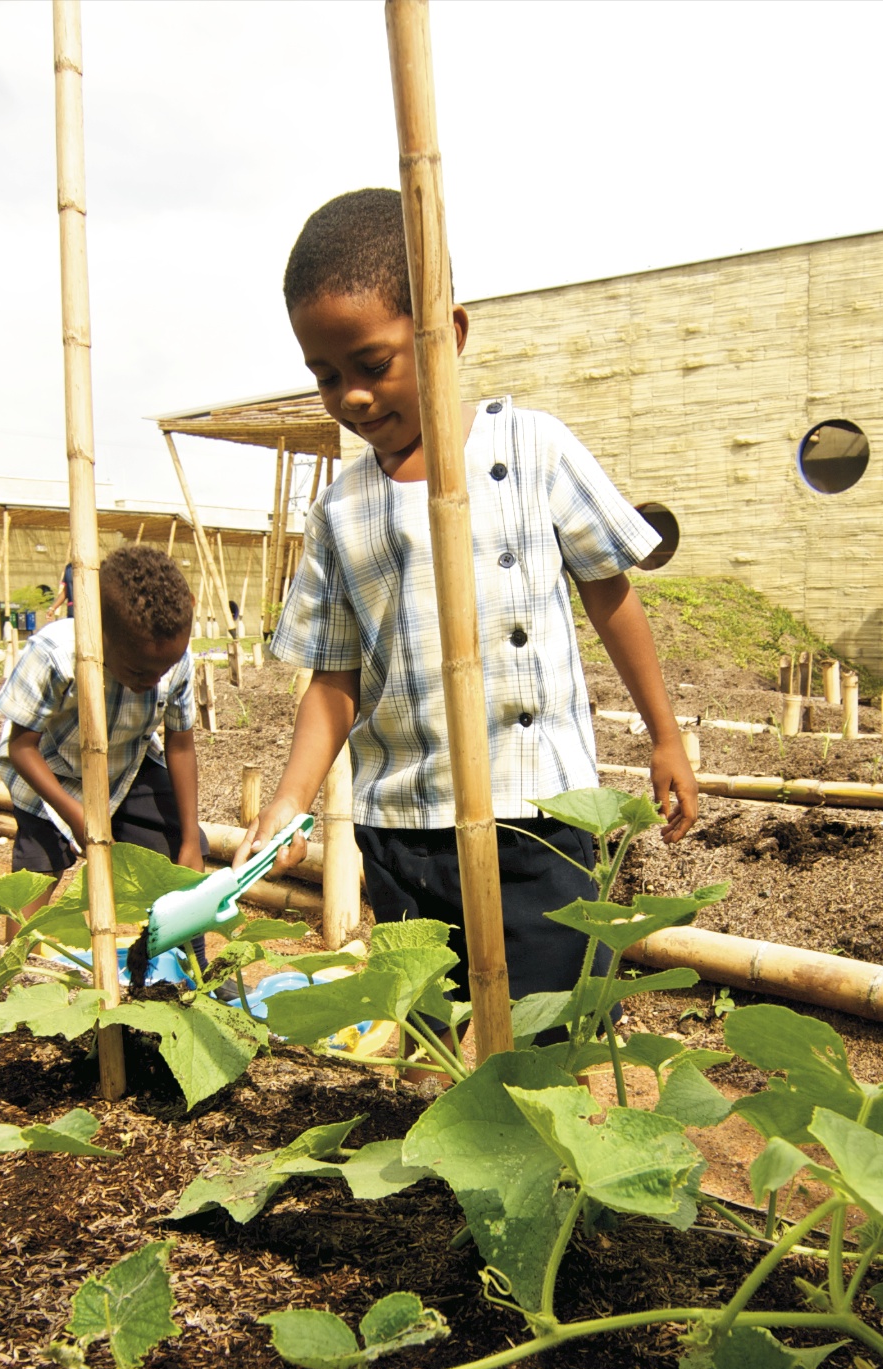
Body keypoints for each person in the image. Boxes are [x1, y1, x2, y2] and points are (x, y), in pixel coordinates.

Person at [238, 187, 698, 1009]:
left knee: (546, 1032)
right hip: (403, 827)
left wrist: (665, 737)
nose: (350, 395)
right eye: (324, 375)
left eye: (371, 364)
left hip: (540, 817)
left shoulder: (532, 448)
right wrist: (286, 802)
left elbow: (610, 593)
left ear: (445, 333)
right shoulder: (340, 510)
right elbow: (333, 681)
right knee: (440, 1033)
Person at [0, 543, 203, 929]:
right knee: (36, 873)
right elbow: (20, 748)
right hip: (48, 773)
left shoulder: (175, 660)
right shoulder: (56, 654)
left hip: (126, 764)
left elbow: (181, 744)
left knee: (178, 859)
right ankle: (18, 967)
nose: (155, 679)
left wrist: (190, 836)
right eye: (140, 671)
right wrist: (76, 816)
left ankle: (199, 969)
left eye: (165, 668)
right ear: (99, 632)